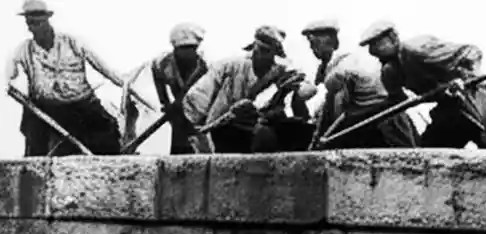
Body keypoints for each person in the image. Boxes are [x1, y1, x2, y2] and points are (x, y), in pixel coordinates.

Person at [4, 0, 143, 156]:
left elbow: (105, 69)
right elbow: (10, 76)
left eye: (37, 23)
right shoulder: (24, 50)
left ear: (47, 20)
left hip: (81, 104)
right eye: (30, 23)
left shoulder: (73, 43)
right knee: (33, 134)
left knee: (107, 134)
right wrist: (9, 82)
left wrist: (126, 87)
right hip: (47, 107)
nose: (33, 28)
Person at [361, 21, 486, 150]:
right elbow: (396, 101)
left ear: (393, 38)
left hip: (477, 97)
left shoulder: (417, 48)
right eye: (370, 47)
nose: (372, 50)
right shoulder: (390, 71)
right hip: (449, 108)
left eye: (376, 44)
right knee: (430, 150)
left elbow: (471, 52)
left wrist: (466, 78)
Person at [182, 25, 315, 154]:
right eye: (260, 49)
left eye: (268, 51)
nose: (263, 56)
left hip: (260, 131)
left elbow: (307, 89)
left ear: (275, 53)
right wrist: (197, 130)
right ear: (253, 47)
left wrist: (295, 90)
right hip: (224, 131)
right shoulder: (228, 67)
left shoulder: (282, 72)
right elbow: (196, 99)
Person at [302, 18, 416, 149]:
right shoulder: (330, 67)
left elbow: (337, 109)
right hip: (371, 120)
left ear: (332, 40)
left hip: (381, 125)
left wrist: (322, 140)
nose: (313, 48)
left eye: (315, 42)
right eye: (311, 44)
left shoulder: (344, 65)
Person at [150, 23, 208, 155]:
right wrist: (165, 103)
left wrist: (181, 104)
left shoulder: (203, 67)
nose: (188, 53)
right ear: (175, 48)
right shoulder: (163, 64)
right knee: (178, 139)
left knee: (197, 141)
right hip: (177, 110)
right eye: (183, 48)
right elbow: (158, 80)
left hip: (198, 109)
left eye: (191, 48)